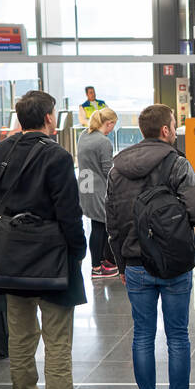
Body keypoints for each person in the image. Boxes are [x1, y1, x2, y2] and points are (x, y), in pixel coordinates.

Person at [0, 90, 91, 389]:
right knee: (57, 339)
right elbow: (69, 212)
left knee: (20, 333)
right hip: (51, 258)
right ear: (47, 118)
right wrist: (78, 250)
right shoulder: (57, 157)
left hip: (10, 257)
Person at [106, 104, 195, 389]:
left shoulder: (117, 167)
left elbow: (112, 221)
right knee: (178, 335)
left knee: (142, 335)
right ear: (165, 130)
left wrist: (122, 264)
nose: (176, 130)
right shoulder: (177, 164)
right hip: (175, 263)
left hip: (136, 264)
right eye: (174, 126)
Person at [77, 106, 119, 279]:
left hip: (85, 186)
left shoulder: (84, 135)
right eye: (113, 125)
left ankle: (103, 261)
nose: (113, 129)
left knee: (97, 225)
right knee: (100, 227)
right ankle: (97, 267)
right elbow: (108, 170)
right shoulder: (103, 142)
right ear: (108, 124)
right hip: (98, 188)